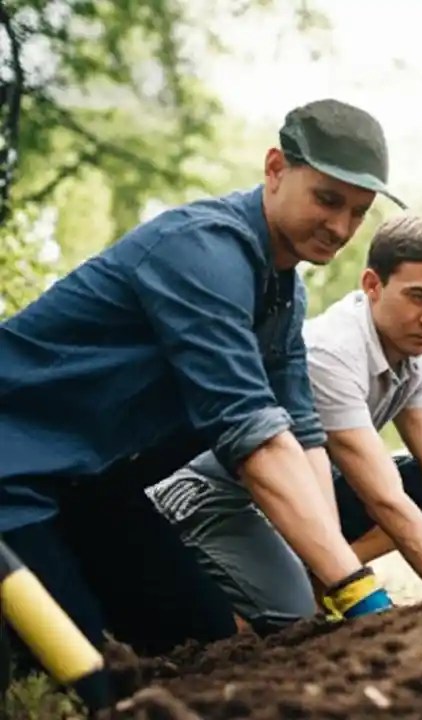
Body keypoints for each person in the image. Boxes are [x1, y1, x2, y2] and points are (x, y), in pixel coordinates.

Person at [0, 98, 401, 660]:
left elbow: (304, 436)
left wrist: (333, 577)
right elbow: (254, 438)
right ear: (275, 170)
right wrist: (363, 597)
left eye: (358, 212)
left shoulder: (285, 294)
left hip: (93, 495)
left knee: (208, 644)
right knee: (77, 664)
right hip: (15, 473)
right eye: (327, 199)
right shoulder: (203, 251)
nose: (340, 227)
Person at [148, 215, 422, 633]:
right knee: (296, 622)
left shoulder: (414, 355)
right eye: (419, 297)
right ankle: (235, 600)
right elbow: (383, 499)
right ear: (372, 285)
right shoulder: (332, 353)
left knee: (421, 481)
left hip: (300, 500)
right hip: (213, 498)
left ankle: (311, 577)